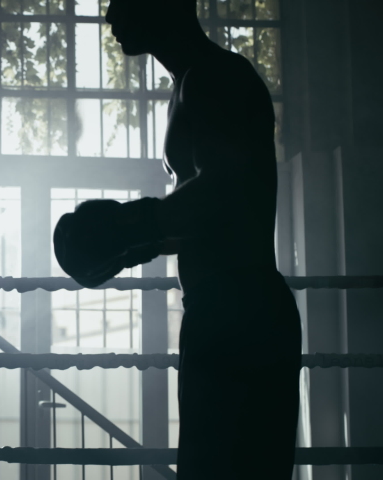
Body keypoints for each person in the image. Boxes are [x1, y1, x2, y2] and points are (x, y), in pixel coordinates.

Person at [52, 0, 301, 477]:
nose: (110, 15)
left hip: (240, 312)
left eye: (121, 0)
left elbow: (225, 190)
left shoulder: (216, 77)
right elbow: (208, 218)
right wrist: (130, 244)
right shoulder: (190, 83)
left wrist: (128, 228)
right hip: (223, 310)